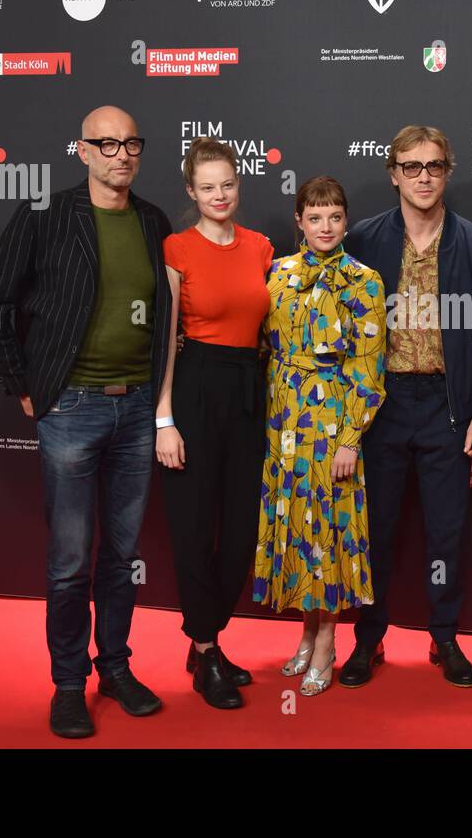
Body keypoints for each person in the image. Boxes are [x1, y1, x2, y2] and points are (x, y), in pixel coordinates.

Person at [0, 106, 173, 739]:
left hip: (137, 407)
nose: (121, 153)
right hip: (71, 407)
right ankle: (67, 685)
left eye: (130, 143)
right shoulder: (44, 214)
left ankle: (114, 667)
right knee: (68, 564)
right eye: (106, 144)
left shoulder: (152, 221)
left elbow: (168, 320)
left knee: (120, 555)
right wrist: (21, 382)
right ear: (82, 151)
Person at [340, 124, 472, 689]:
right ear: (394, 174)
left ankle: (444, 636)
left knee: (447, 531)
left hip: (446, 404)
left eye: (434, 166)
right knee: (375, 528)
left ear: (448, 171)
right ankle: (367, 638)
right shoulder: (362, 240)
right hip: (380, 404)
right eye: (411, 167)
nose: (424, 177)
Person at [254, 176, 387, 696]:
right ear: (299, 222)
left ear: (345, 221)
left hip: (333, 420)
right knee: (298, 526)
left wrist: (350, 437)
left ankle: (328, 640)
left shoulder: (365, 281)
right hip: (284, 421)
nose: (325, 226)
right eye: (315, 217)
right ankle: (307, 631)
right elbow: (263, 345)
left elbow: (369, 367)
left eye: (334, 216)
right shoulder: (277, 275)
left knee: (328, 528)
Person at [156, 137, 272, 710]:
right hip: (195, 386)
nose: (219, 195)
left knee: (242, 532)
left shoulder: (261, 247)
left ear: (238, 184)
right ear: (191, 192)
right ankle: (206, 650)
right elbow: (167, 342)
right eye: (207, 187)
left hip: (248, 392)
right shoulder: (177, 248)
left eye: (227, 184)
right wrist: (165, 419)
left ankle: (206, 641)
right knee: (194, 528)